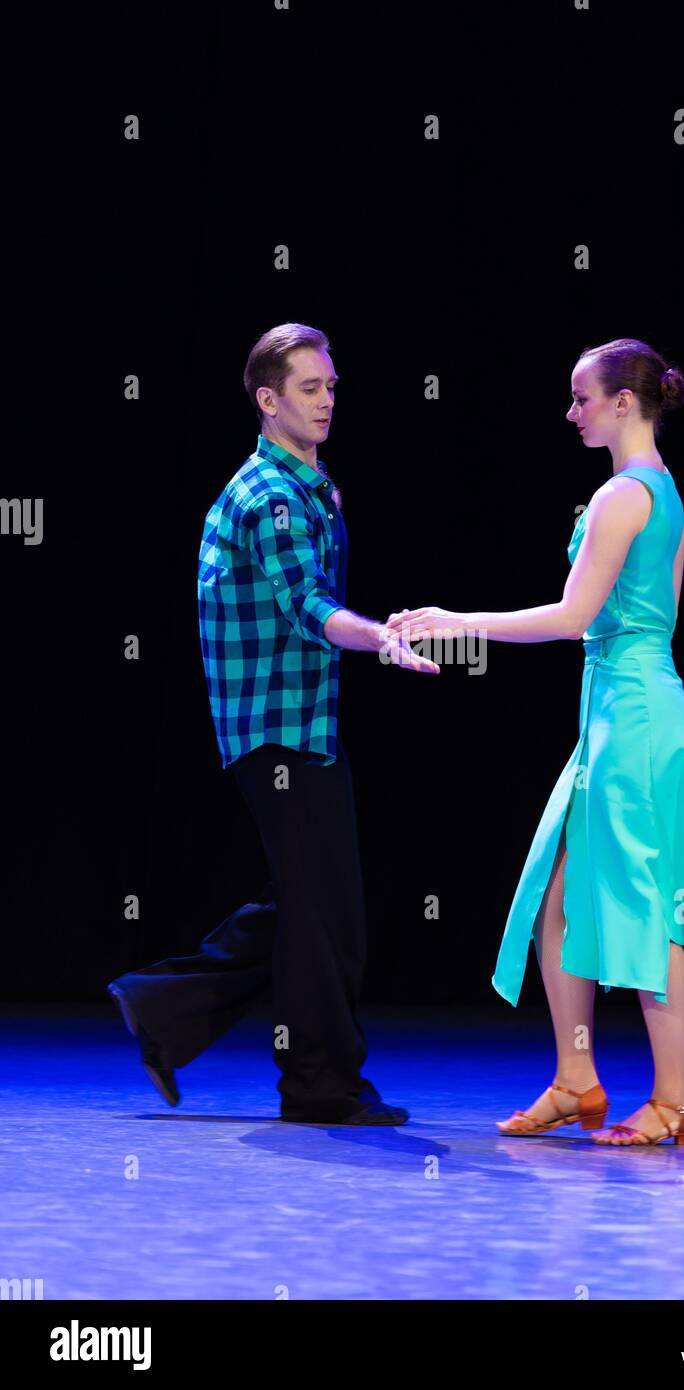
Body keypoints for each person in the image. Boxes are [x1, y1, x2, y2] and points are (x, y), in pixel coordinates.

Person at [387, 337, 684, 1147]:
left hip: (635, 720)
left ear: (624, 403)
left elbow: (573, 617)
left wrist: (458, 622)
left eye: (582, 398)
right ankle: (576, 1078)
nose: (571, 411)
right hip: (623, 714)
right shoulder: (658, 492)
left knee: (648, 907)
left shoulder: (624, 496)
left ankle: (676, 1099)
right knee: (557, 901)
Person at [108, 322, 439, 1125]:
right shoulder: (270, 500)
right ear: (268, 399)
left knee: (309, 902)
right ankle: (317, 1083)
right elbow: (308, 607)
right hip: (277, 730)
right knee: (327, 916)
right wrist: (381, 638)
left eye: (331, 386)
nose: (327, 401)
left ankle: (162, 1006)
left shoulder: (310, 484)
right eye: (309, 388)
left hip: (299, 722)